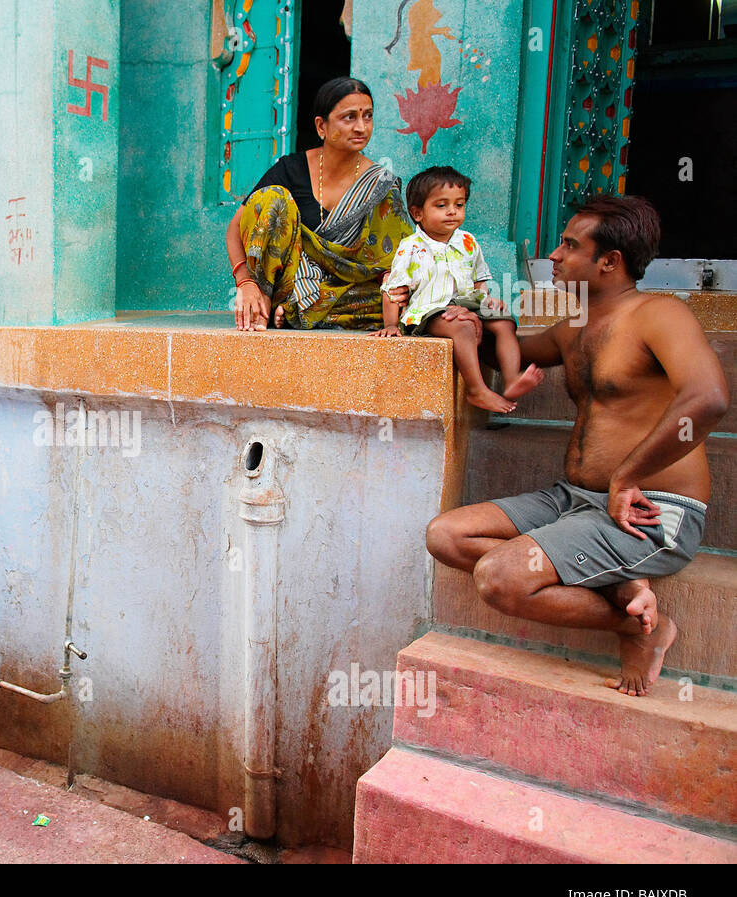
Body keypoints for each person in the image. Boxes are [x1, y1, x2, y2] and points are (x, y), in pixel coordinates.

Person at [426, 196, 730, 697]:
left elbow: (710, 399)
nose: (555, 255)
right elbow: (508, 354)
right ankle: (618, 587)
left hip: (649, 512)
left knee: (501, 577)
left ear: (609, 262)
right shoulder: (575, 326)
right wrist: (456, 313)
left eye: (570, 245)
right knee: (446, 535)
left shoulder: (659, 315)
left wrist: (626, 477)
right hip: (576, 501)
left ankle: (636, 629)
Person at [226, 76, 414, 332]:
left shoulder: (379, 184)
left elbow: (395, 258)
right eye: (349, 118)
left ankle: (294, 310)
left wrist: (396, 287)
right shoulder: (290, 169)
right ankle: (264, 302)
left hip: (344, 291)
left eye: (367, 116)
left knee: (395, 300)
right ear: (321, 126)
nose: (361, 127)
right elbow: (235, 228)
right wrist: (245, 282)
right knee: (271, 198)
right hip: (288, 283)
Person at [372, 166, 545, 413]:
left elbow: (478, 280)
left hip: (467, 303)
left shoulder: (467, 241)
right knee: (462, 327)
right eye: (441, 205)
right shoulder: (411, 247)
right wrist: (390, 325)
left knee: (504, 322)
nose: (452, 211)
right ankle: (477, 390)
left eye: (459, 205)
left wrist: (487, 301)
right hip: (428, 312)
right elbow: (392, 289)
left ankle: (512, 379)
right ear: (418, 213)